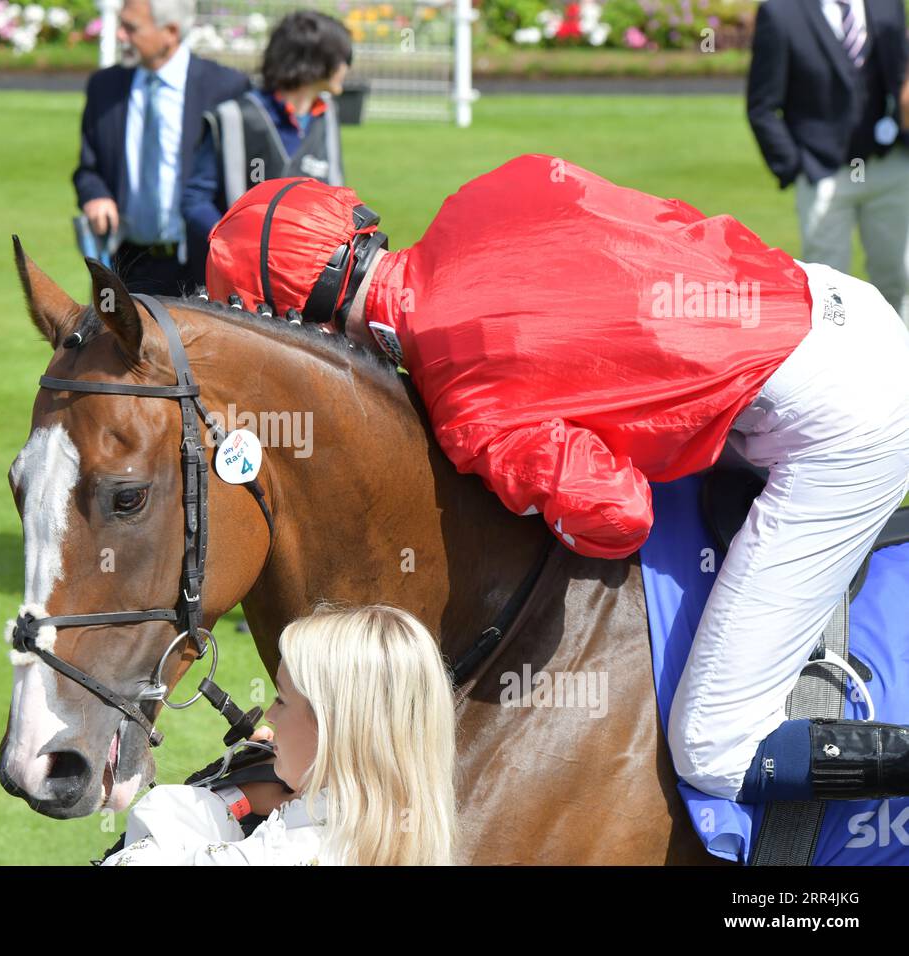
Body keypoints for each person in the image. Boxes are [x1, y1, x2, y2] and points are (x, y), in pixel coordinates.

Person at [203, 157, 909, 806]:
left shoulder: (465, 401)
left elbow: (619, 516)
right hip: (835, 300)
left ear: (304, 332)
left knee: (715, 747)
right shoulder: (484, 190)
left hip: (841, 420)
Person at [101, 604, 457, 865]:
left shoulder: (287, 854)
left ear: (333, 728)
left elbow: (141, 853)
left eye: (282, 700)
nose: (269, 716)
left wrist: (232, 797)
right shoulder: (397, 842)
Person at [747, 0, 909, 325]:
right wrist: (796, 166)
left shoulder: (888, 4)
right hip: (824, 174)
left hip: (889, 165)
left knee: (900, 279)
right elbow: (762, 106)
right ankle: (836, 374)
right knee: (828, 294)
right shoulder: (781, 13)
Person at [73, 0, 248, 296]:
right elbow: (88, 170)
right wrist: (96, 195)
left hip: (201, 269)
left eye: (131, 28)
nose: (120, 36)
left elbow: (246, 177)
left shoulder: (227, 88)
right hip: (127, 267)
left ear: (170, 32)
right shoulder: (104, 87)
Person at [180, 10, 352, 287]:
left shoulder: (326, 114)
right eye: (344, 58)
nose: (347, 67)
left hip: (303, 286)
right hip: (235, 288)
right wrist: (230, 242)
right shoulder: (235, 117)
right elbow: (194, 199)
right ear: (315, 61)